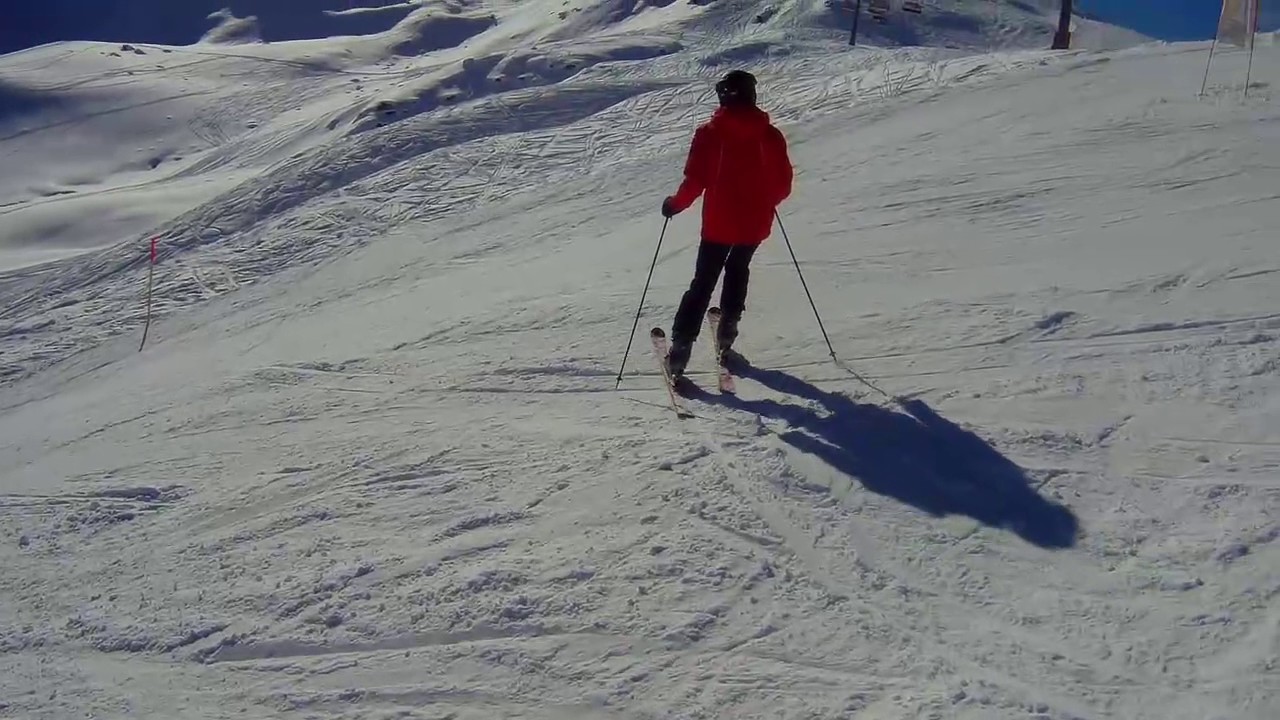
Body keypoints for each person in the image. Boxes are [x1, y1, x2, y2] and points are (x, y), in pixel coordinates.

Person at [660, 69, 793, 378]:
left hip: (719, 223)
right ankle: (727, 335)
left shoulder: (710, 134)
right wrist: (766, 201)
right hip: (755, 223)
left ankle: (680, 350)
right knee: (738, 270)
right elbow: (782, 183)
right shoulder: (770, 136)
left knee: (703, 282)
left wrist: (674, 205)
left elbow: (695, 180)